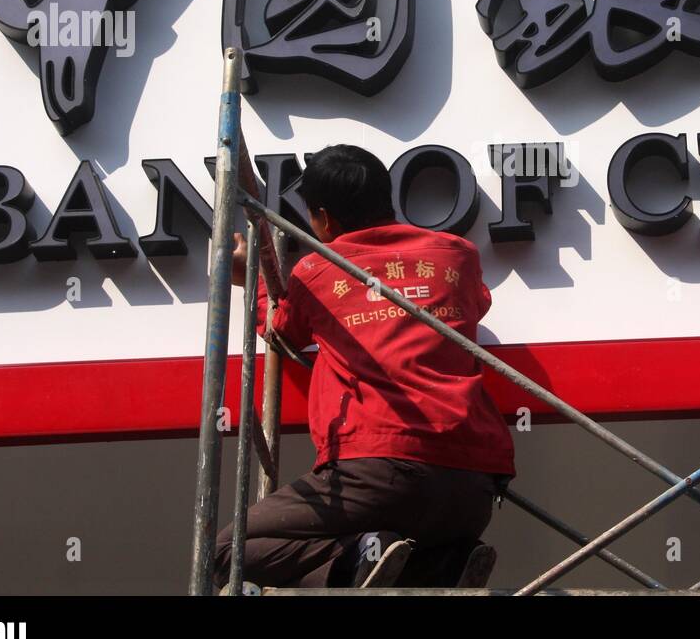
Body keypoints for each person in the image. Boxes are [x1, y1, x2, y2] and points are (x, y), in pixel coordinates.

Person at [213, 144, 515, 589]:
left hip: (378, 475)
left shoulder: (317, 271)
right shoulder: (458, 256)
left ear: (324, 219)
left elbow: (281, 330)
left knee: (227, 553)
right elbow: (476, 306)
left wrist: (251, 280)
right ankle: (435, 564)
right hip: (471, 491)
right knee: (398, 548)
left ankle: (363, 555)